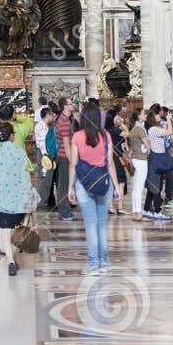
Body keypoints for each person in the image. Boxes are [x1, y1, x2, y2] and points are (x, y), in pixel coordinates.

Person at [69, 98, 121, 272]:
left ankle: (93, 263)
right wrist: (117, 187)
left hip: (84, 184)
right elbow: (110, 162)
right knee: (102, 224)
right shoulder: (105, 135)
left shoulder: (77, 136)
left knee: (90, 225)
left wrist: (70, 187)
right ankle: (104, 262)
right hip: (104, 182)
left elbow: (74, 164)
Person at [0, 116, 32, 277]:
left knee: (5, 229)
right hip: (18, 197)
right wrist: (30, 194)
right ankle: (13, 255)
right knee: (18, 228)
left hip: (1, 198)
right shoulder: (19, 151)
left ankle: (11, 261)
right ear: (12, 135)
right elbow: (25, 174)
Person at [145, 108, 173, 214]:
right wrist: (169, 119)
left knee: (154, 184)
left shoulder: (153, 129)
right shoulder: (154, 129)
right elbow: (170, 132)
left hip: (156, 158)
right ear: (153, 118)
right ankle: (157, 210)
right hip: (157, 159)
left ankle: (147, 208)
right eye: (156, 115)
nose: (159, 116)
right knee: (156, 184)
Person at [127, 108, 150, 219]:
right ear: (138, 117)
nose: (145, 115)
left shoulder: (134, 128)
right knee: (139, 188)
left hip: (136, 159)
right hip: (141, 160)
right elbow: (147, 144)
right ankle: (139, 213)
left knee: (136, 187)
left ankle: (136, 212)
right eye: (143, 113)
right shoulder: (140, 129)